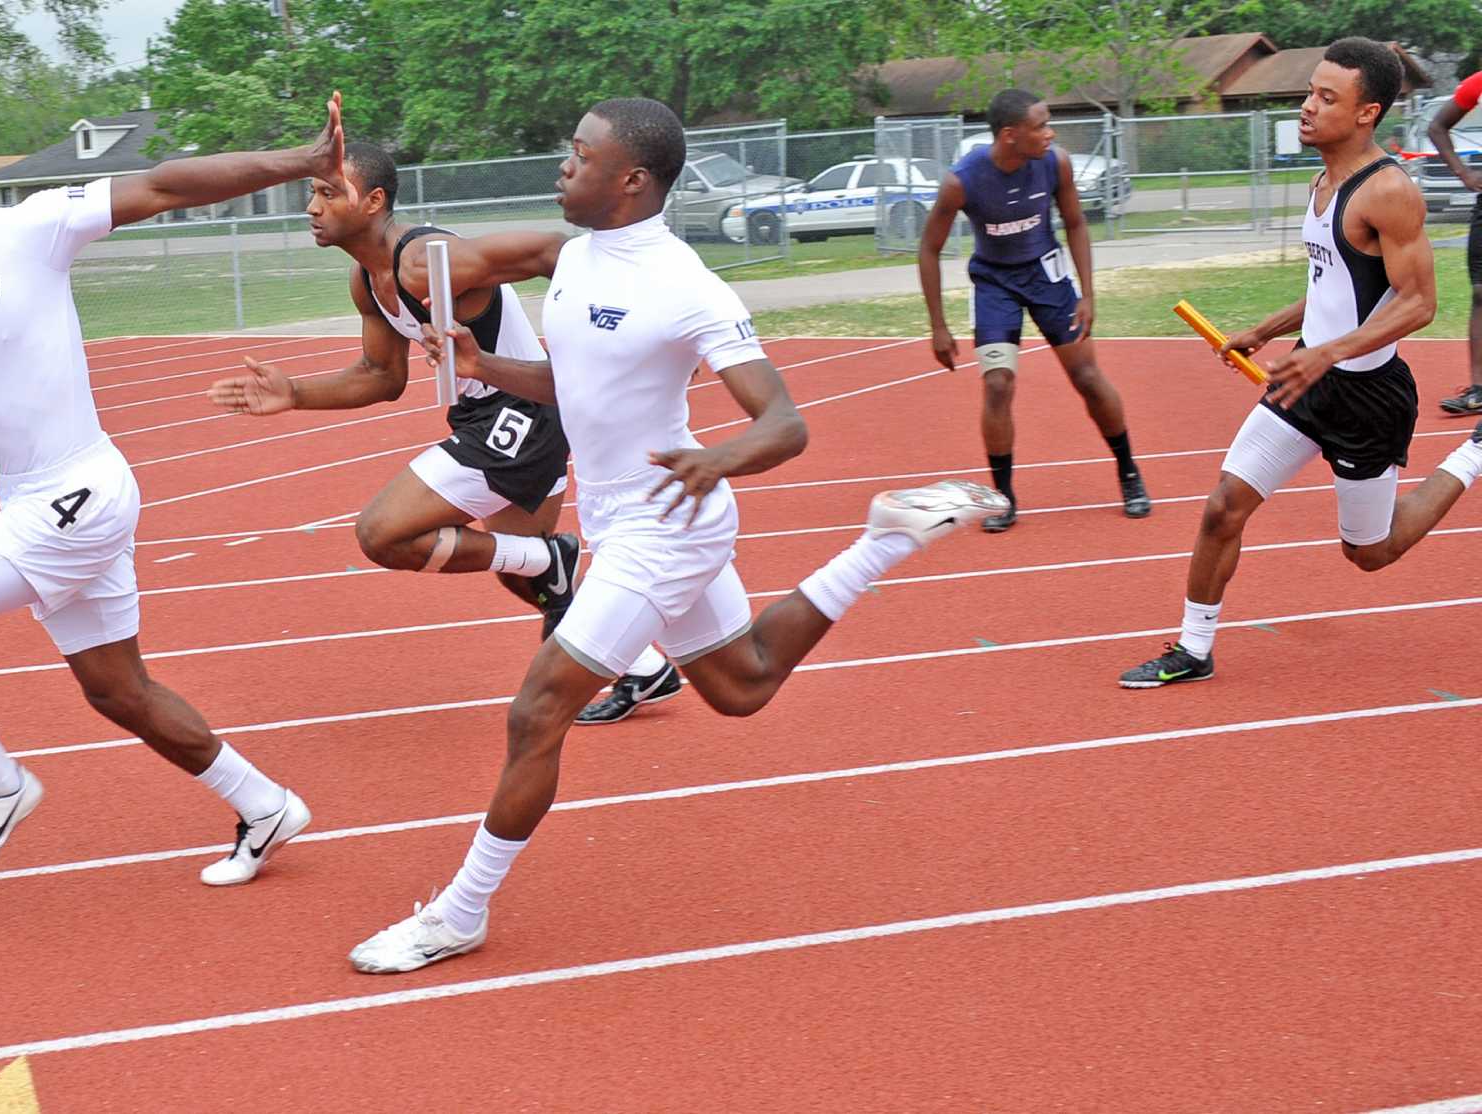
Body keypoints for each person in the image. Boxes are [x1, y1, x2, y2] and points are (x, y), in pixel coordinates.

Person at [346, 97, 1007, 974]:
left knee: (539, 709)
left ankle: (458, 914)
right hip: (621, 513)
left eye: (579, 155)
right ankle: (886, 536)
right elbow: (573, 380)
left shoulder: (687, 285)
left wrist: (716, 460)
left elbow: (783, 421)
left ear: (631, 179)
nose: (562, 163)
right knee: (742, 686)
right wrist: (482, 366)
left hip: (668, 520)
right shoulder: (575, 258)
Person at [0, 97, 356, 883]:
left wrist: (304, 161)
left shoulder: (24, 229)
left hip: (78, 491)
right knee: (119, 691)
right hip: (35, 500)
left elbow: (166, 186)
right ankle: (265, 805)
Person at [204, 142, 680, 725]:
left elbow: (548, 249)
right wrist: (294, 394)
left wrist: (640, 317)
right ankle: (642, 665)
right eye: (313, 192)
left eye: (328, 192)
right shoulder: (368, 280)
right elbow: (381, 377)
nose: (312, 206)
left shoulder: (425, 260)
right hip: (490, 417)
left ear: (374, 200)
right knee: (522, 573)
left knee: (382, 533)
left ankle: (551, 559)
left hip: (521, 413)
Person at [1119, 39, 1482, 690]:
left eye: (1326, 98)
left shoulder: (1388, 190)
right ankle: (1193, 648)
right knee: (1223, 506)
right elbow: (1332, 285)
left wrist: (1331, 354)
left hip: (1366, 399)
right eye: (1309, 93)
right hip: (1303, 379)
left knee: (1369, 552)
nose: (1306, 108)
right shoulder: (1323, 181)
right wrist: (1264, 331)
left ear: (1367, 112)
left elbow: (1420, 303)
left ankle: (1475, 452)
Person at [918, 89, 1151, 532]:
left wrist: (1087, 294)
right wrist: (938, 328)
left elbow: (1077, 223)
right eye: (1041, 125)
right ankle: (1002, 497)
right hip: (994, 284)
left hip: (1048, 278)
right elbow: (928, 250)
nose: (1051, 132)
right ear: (1010, 135)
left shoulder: (1054, 163)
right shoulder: (961, 181)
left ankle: (1129, 472)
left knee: (1087, 377)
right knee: (999, 386)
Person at [1426, 69, 1482, 416]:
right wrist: (1464, 173)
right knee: (1481, 292)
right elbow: (1437, 127)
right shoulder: (1478, 83)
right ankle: (1478, 390)